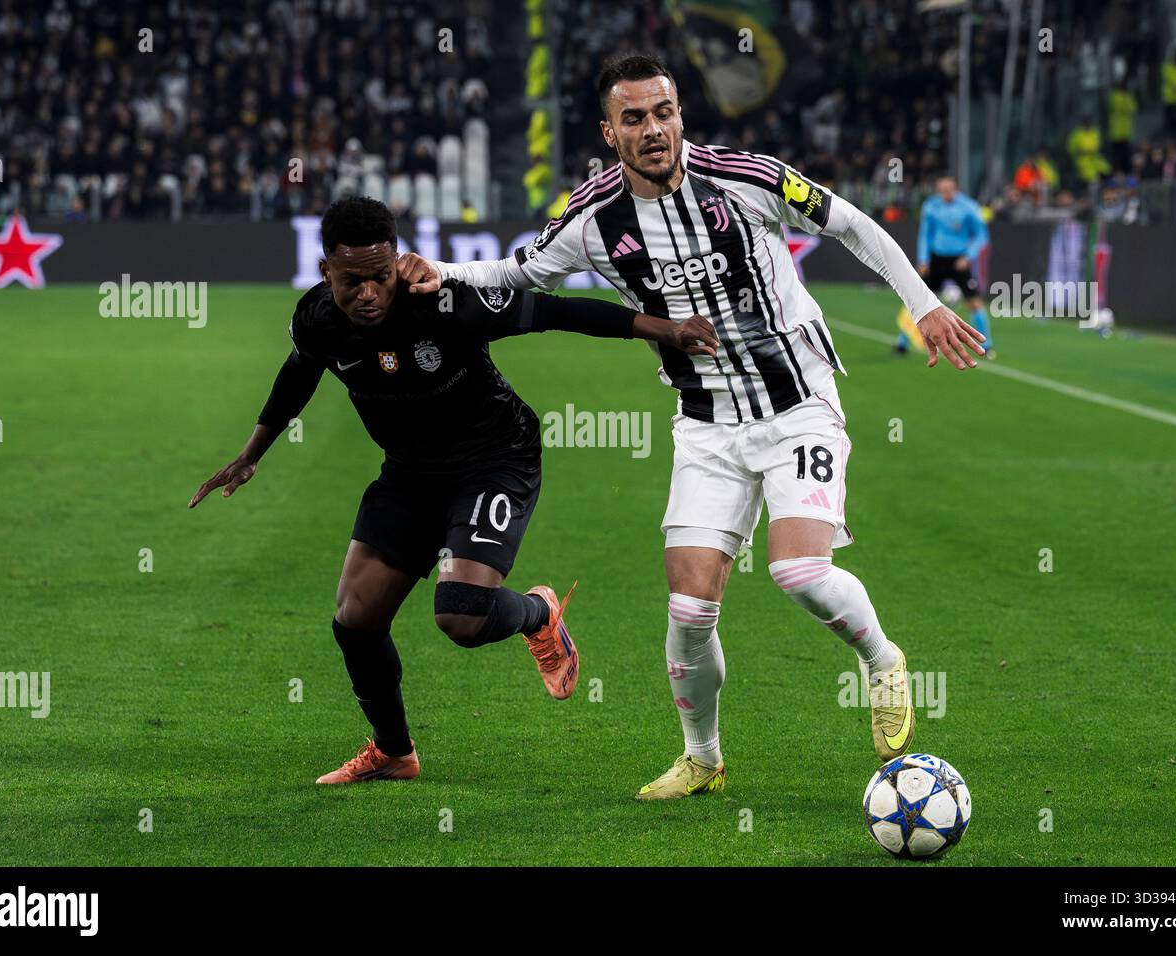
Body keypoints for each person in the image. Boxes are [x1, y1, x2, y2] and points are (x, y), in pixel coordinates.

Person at [396, 54, 985, 800]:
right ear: (609, 132)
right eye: (634, 118)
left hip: (797, 400)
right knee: (689, 608)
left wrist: (924, 303)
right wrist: (439, 272)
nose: (654, 129)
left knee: (798, 571)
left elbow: (853, 226)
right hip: (706, 425)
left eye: (664, 112)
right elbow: (516, 273)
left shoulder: (748, 178)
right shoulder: (593, 219)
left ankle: (881, 658)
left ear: (680, 114)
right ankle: (703, 758)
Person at [189, 195, 719, 785]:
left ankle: (539, 612)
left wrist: (665, 330)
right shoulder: (316, 318)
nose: (367, 293)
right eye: (350, 282)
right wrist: (250, 455)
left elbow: (555, 312)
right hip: (410, 472)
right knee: (355, 620)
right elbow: (301, 370)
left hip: (494, 459)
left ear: (398, 263)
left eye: (379, 278)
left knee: (461, 618)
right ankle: (394, 752)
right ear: (324, 274)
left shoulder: (444, 305)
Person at [898, 176, 993, 359]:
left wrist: (968, 257)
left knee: (974, 302)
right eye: (942, 190)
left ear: (955, 188)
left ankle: (986, 344)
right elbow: (925, 234)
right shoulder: (931, 206)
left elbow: (982, 236)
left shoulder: (969, 207)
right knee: (916, 301)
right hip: (936, 259)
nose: (945, 193)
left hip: (959, 259)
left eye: (949, 189)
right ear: (937, 190)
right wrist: (923, 260)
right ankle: (902, 342)